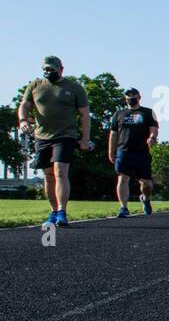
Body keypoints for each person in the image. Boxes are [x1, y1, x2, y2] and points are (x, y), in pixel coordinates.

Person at [17, 56, 90, 227]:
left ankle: (62, 212)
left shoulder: (74, 88)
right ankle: (53, 210)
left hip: (65, 136)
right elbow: (24, 106)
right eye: (46, 69)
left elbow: (85, 116)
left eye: (52, 69)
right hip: (42, 136)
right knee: (48, 175)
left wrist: (85, 139)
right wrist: (23, 120)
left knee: (60, 171)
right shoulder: (35, 86)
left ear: (61, 69)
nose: (48, 72)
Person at [108, 87, 159, 217]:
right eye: (128, 95)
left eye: (133, 95)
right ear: (125, 98)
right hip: (123, 151)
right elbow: (113, 134)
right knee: (123, 178)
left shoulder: (147, 112)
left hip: (141, 152)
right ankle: (123, 208)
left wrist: (152, 137)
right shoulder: (118, 114)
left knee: (147, 184)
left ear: (139, 97)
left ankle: (145, 199)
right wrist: (111, 151)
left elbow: (153, 129)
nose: (131, 97)